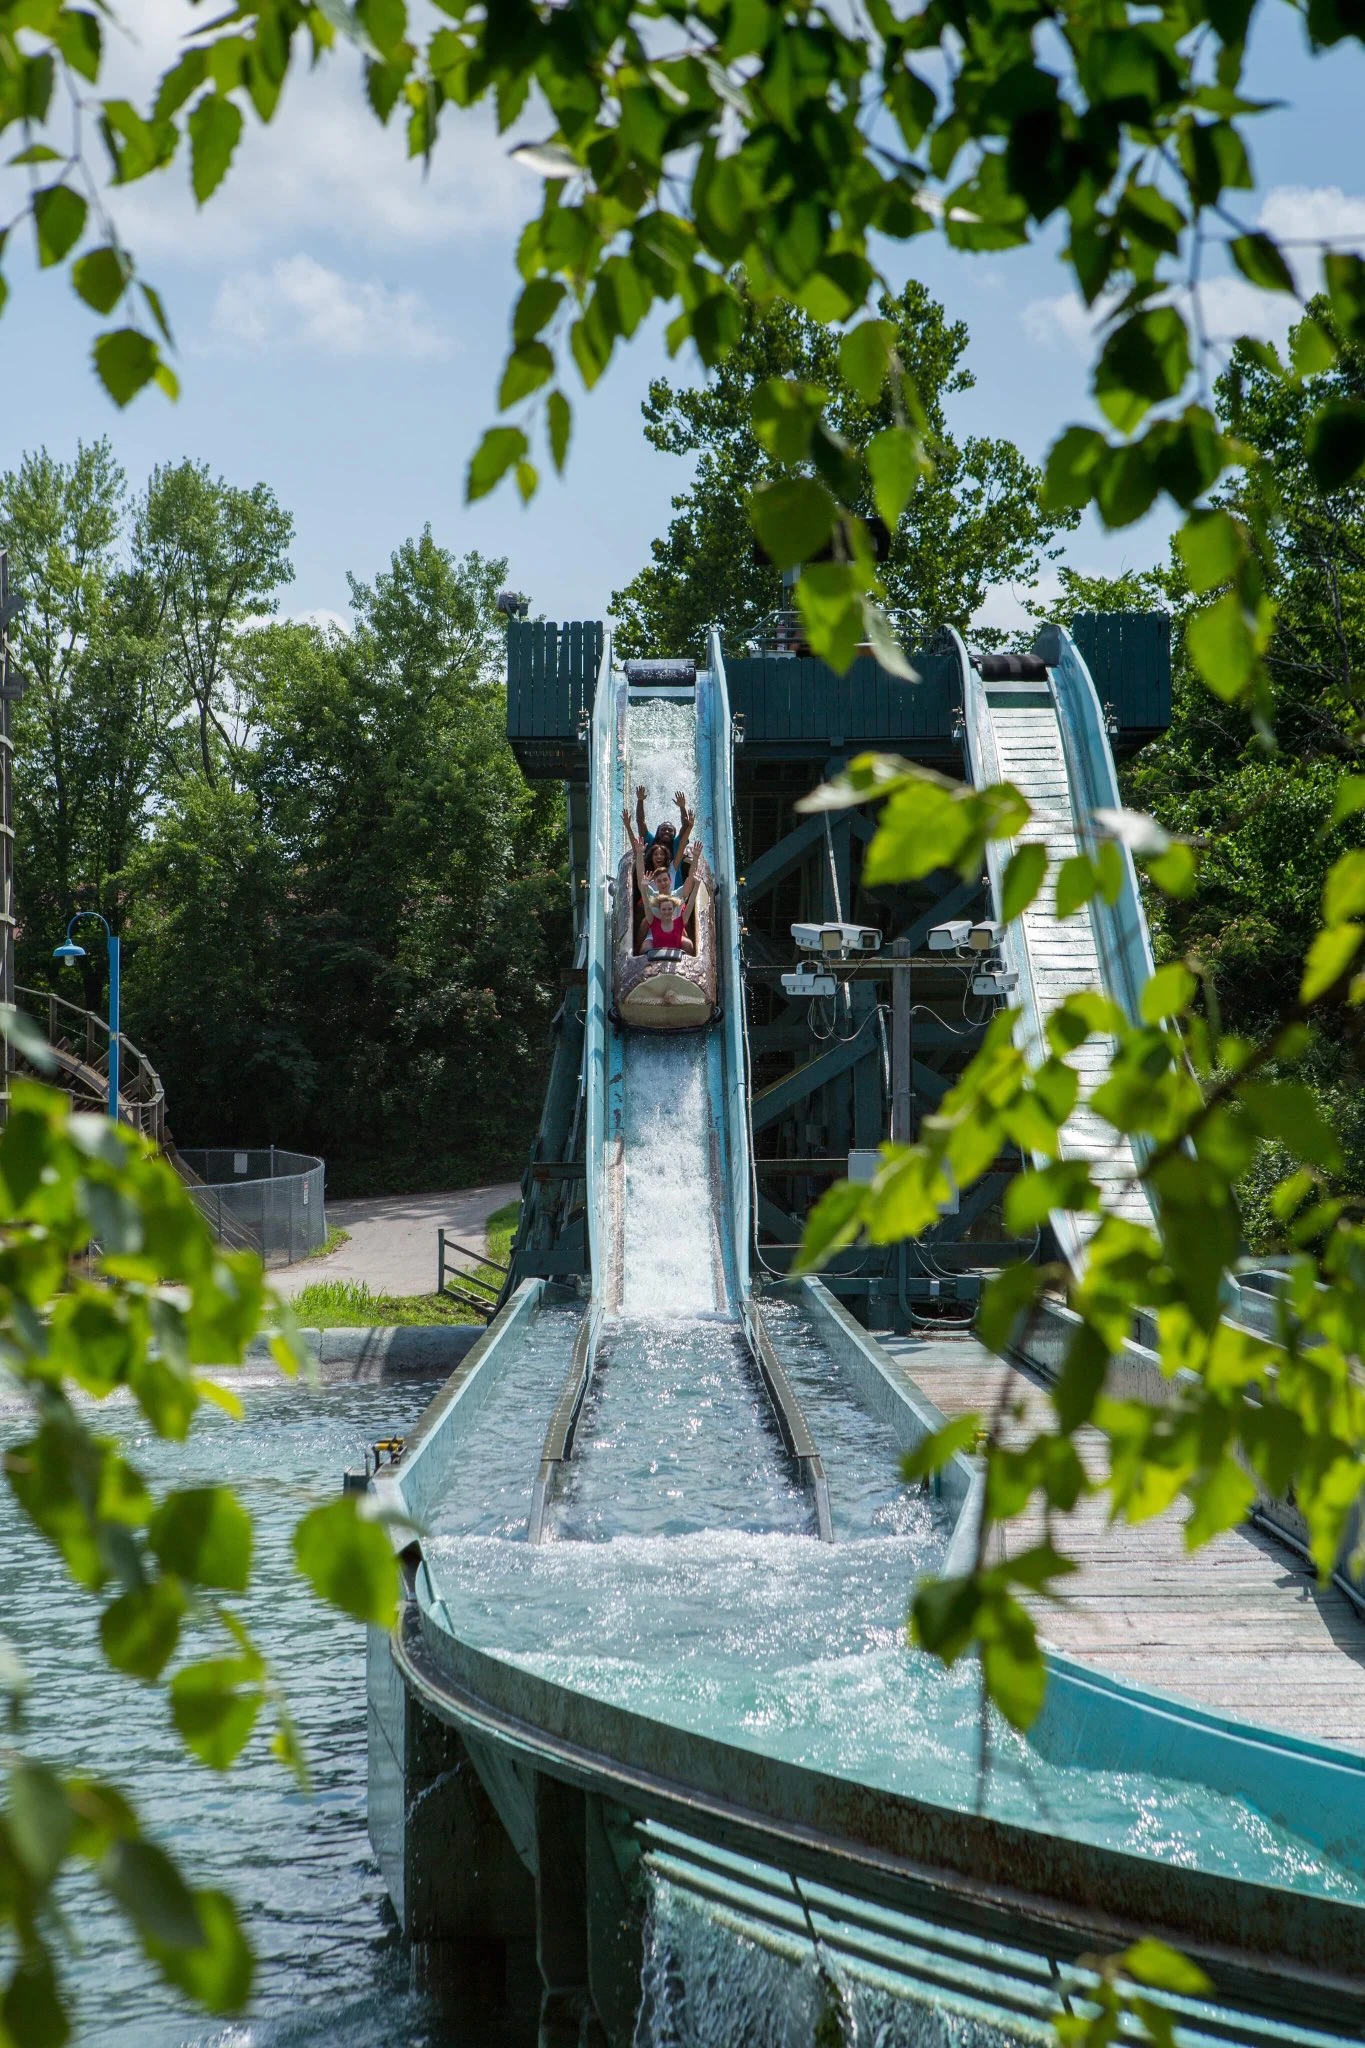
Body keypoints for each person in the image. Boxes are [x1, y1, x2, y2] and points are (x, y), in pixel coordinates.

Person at [635, 785, 694, 886]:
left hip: (675, 889)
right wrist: (640, 800)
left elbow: (685, 827)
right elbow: (640, 822)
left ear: (674, 834)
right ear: (657, 832)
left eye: (670, 830)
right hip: (652, 888)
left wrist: (682, 807)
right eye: (663, 829)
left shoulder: (676, 844)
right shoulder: (651, 841)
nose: (667, 831)